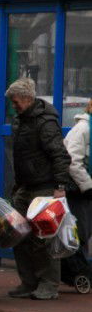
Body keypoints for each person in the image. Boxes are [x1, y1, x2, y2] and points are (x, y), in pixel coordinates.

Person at [5, 77, 71, 300]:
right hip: (25, 186)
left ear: (27, 98)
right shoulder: (21, 120)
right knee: (18, 234)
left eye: (15, 101)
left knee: (44, 238)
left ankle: (48, 284)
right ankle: (28, 281)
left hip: (44, 187)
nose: (13, 105)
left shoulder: (45, 122)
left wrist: (60, 186)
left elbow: (60, 155)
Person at [61, 99, 92, 251]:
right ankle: (77, 265)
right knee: (80, 234)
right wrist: (88, 186)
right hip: (79, 191)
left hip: (86, 190)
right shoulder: (83, 129)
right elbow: (72, 161)